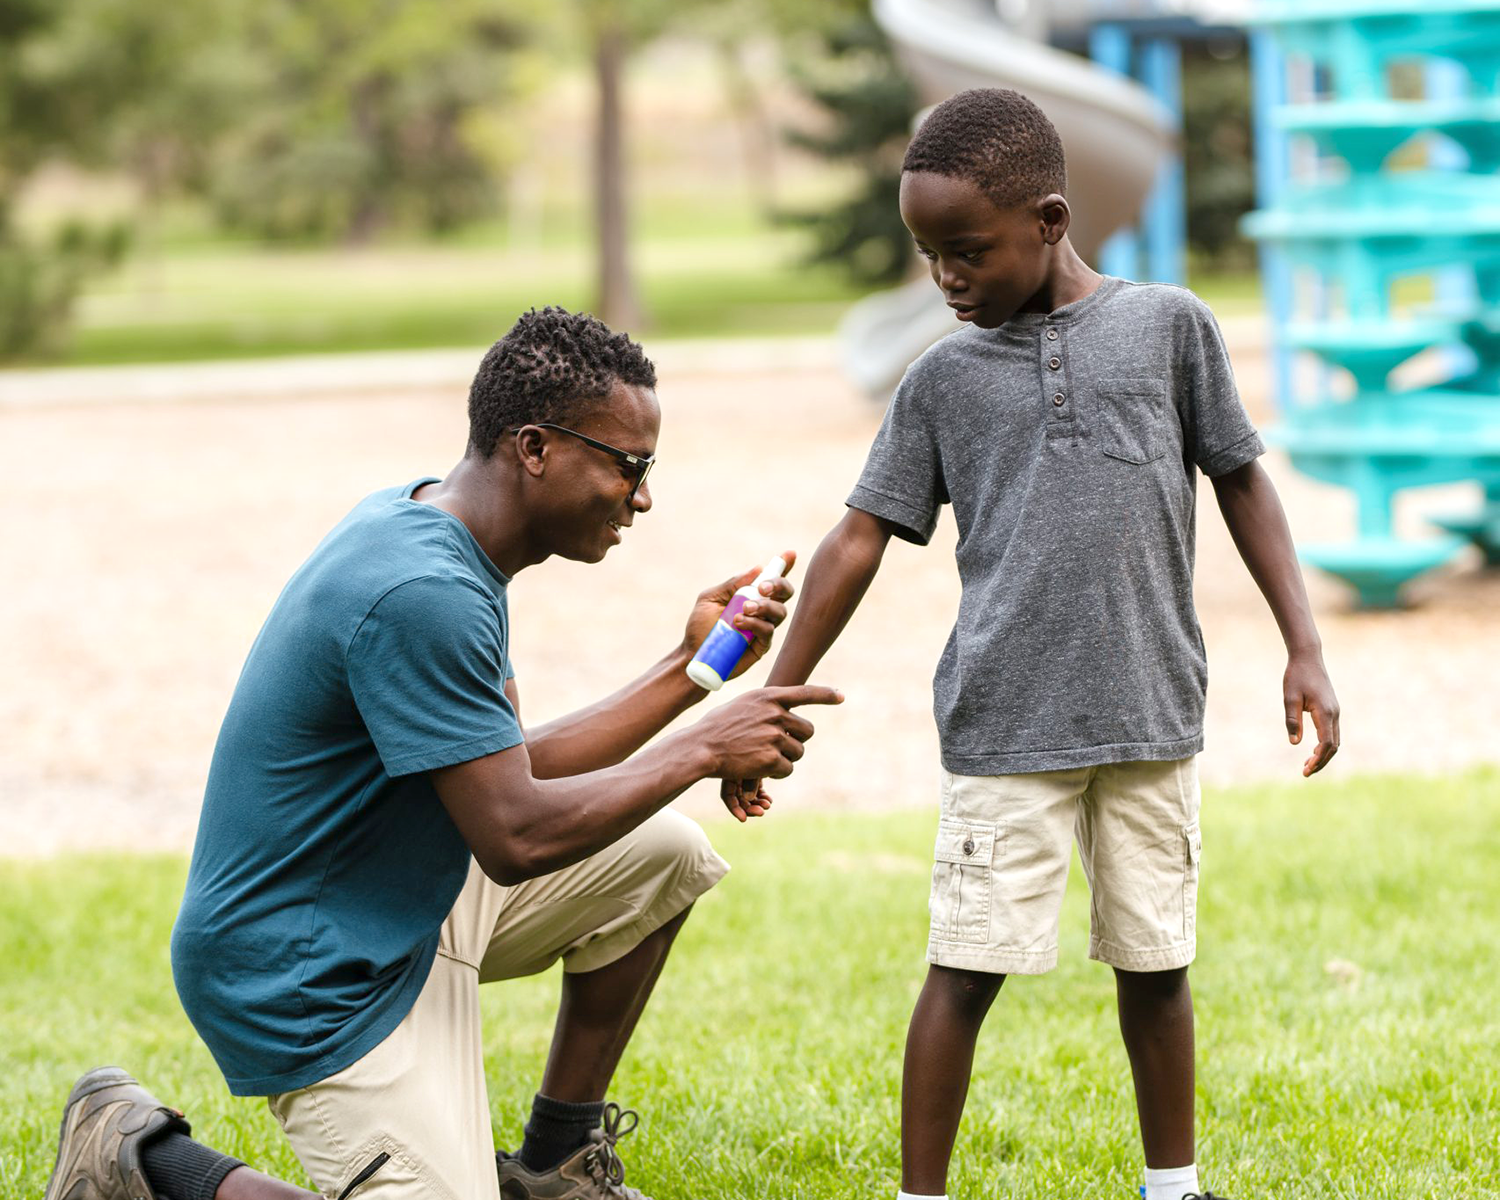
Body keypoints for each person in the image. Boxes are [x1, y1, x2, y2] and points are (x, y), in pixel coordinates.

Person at [46, 306, 841, 1200]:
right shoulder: (424, 589)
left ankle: (555, 1165)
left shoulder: (444, 533)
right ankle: (141, 1161)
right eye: (628, 465)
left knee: (666, 856)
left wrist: (691, 672)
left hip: (394, 893)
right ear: (534, 447)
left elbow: (510, 766)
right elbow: (515, 837)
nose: (642, 496)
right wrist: (700, 749)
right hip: (302, 965)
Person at [728, 88, 1341, 1200]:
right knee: (963, 972)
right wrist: (775, 691)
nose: (946, 279)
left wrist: (1304, 645)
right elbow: (860, 536)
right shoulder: (942, 380)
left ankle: (1174, 1186)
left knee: (1158, 970)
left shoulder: (1169, 328)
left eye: (966, 251)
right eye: (928, 257)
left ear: (1051, 221)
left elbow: (1243, 476)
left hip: (1153, 711)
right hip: (1006, 726)